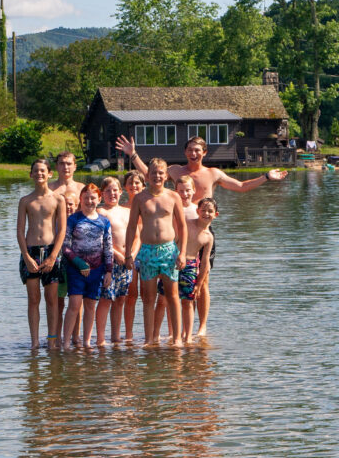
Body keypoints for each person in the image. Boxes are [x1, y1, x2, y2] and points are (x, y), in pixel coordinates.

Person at [116, 135, 288, 336]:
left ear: (204, 152)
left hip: (201, 232)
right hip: (177, 233)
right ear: (185, 151)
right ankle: (172, 332)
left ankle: (201, 327)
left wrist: (266, 177)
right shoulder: (175, 171)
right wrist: (134, 155)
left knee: (202, 280)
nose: (193, 153)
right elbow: (151, 175)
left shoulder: (213, 174)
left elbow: (241, 187)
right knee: (168, 288)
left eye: (197, 150)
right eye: (190, 149)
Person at [124, 158, 187, 347]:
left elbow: (183, 227)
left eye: (160, 173)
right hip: (148, 252)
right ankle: (150, 338)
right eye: (153, 172)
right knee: (148, 298)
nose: (157, 176)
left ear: (166, 175)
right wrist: (128, 254)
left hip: (169, 251)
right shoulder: (141, 198)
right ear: (147, 175)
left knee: (172, 296)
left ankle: (177, 339)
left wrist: (182, 253)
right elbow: (131, 226)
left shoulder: (173, 196)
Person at [16, 159, 66, 349]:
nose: (39, 174)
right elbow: (20, 231)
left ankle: (52, 340)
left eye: (43, 171)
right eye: (35, 171)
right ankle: (35, 342)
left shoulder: (57, 199)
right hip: (31, 252)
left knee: (52, 299)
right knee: (33, 299)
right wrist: (26, 257)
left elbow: (62, 229)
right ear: (31, 174)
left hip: (51, 250)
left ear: (50, 174)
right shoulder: (25, 201)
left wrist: (54, 256)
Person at [61, 184, 113, 350]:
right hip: (76, 269)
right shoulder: (74, 219)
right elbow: (65, 245)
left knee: (90, 306)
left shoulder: (104, 221)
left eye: (93, 198)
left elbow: (108, 247)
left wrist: (109, 271)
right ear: (80, 200)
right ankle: (67, 342)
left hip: (97, 269)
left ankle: (87, 341)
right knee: (74, 304)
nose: (89, 201)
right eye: (86, 198)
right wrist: (78, 262)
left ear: (99, 199)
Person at [155, 175, 197, 337]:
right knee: (163, 299)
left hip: (190, 259)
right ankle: (160, 334)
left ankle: (187, 335)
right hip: (168, 258)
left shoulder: (197, 210)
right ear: (175, 192)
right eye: (181, 191)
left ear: (194, 190)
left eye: (188, 190)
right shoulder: (170, 209)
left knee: (187, 300)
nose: (185, 194)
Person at [96, 177, 133, 344]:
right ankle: (100, 338)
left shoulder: (127, 211)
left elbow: (137, 235)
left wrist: (132, 254)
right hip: (109, 262)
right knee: (106, 299)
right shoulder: (101, 212)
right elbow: (99, 239)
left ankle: (116, 336)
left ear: (121, 192)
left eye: (115, 190)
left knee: (121, 299)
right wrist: (116, 254)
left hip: (127, 262)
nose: (112, 194)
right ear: (102, 194)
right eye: (108, 191)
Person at [179, 198, 217, 343]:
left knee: (198, 288)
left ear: (215, 214)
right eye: (204, 211)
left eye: (210, 212)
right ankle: (179, 331)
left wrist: (199, 283)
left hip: (199, 246)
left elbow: (205, 262)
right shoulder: (187, 223)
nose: (206, 213)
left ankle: (201, 327)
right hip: (181, 258)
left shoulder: (209, 237)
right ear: (197, 210)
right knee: (171, 297)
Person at [120, 170, 145, 342]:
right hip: (130, 253)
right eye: (130, 183)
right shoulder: (122, 209)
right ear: (124, 187)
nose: (134, 186)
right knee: (131, 294)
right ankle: (128, 334)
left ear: (144, 186)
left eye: (137, 183)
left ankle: (152, 333)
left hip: (149, 251)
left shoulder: (150, 204)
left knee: (151, 295)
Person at [57, 190, 80, 346]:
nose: (67, 207)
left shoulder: (80, 220)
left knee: (77, 302)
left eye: (70, 204)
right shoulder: (56, 221)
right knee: (58, 302)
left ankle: (76, 336)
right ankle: (57, 336)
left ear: (76, 205)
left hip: (76, 264)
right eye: (64, 204)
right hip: (59, 264)